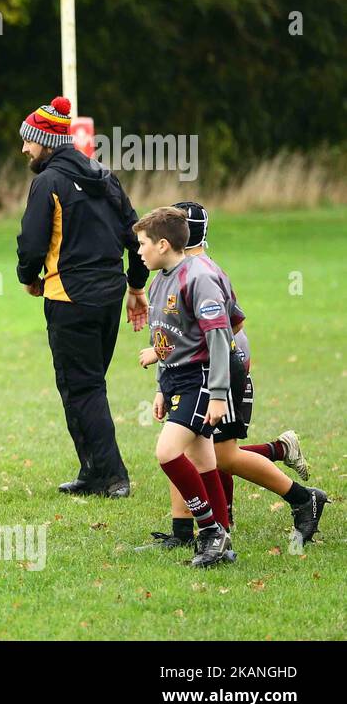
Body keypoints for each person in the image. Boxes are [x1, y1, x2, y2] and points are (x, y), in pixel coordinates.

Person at [140, 201, 327, 549]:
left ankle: (297, 498)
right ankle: (193, 530)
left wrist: (215, 379)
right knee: (199, 450)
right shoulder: (167, 275)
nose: (141, 248)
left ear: (173, 236)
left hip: (218, 372)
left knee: (213, 454)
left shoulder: (202, 273)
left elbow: (229, 329)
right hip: (194, 373)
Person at [15, 96, 148, 498]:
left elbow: (31, 243)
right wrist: (135, 285)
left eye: (28, 141)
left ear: (45, 141)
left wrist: (27, 276)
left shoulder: (47, 183)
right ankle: (92, 472)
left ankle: (112, 476)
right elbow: (135, 233)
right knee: (88, 385)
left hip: (69, 298)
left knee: (82, 387)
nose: (24, 149)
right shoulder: (103, 175)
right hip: (108, 297)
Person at [136, 207, 238, 567]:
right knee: (203, 459)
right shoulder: (160, 279)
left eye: (143, 244)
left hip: (202, 380)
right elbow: (168, 340)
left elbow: (221, 339)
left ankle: (210, 531)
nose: (138, 252)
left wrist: (220, 394)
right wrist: (162, 387)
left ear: (163, 244)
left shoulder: (198, 278)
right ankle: (222, 538)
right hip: (178, 380)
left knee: (167, 453)